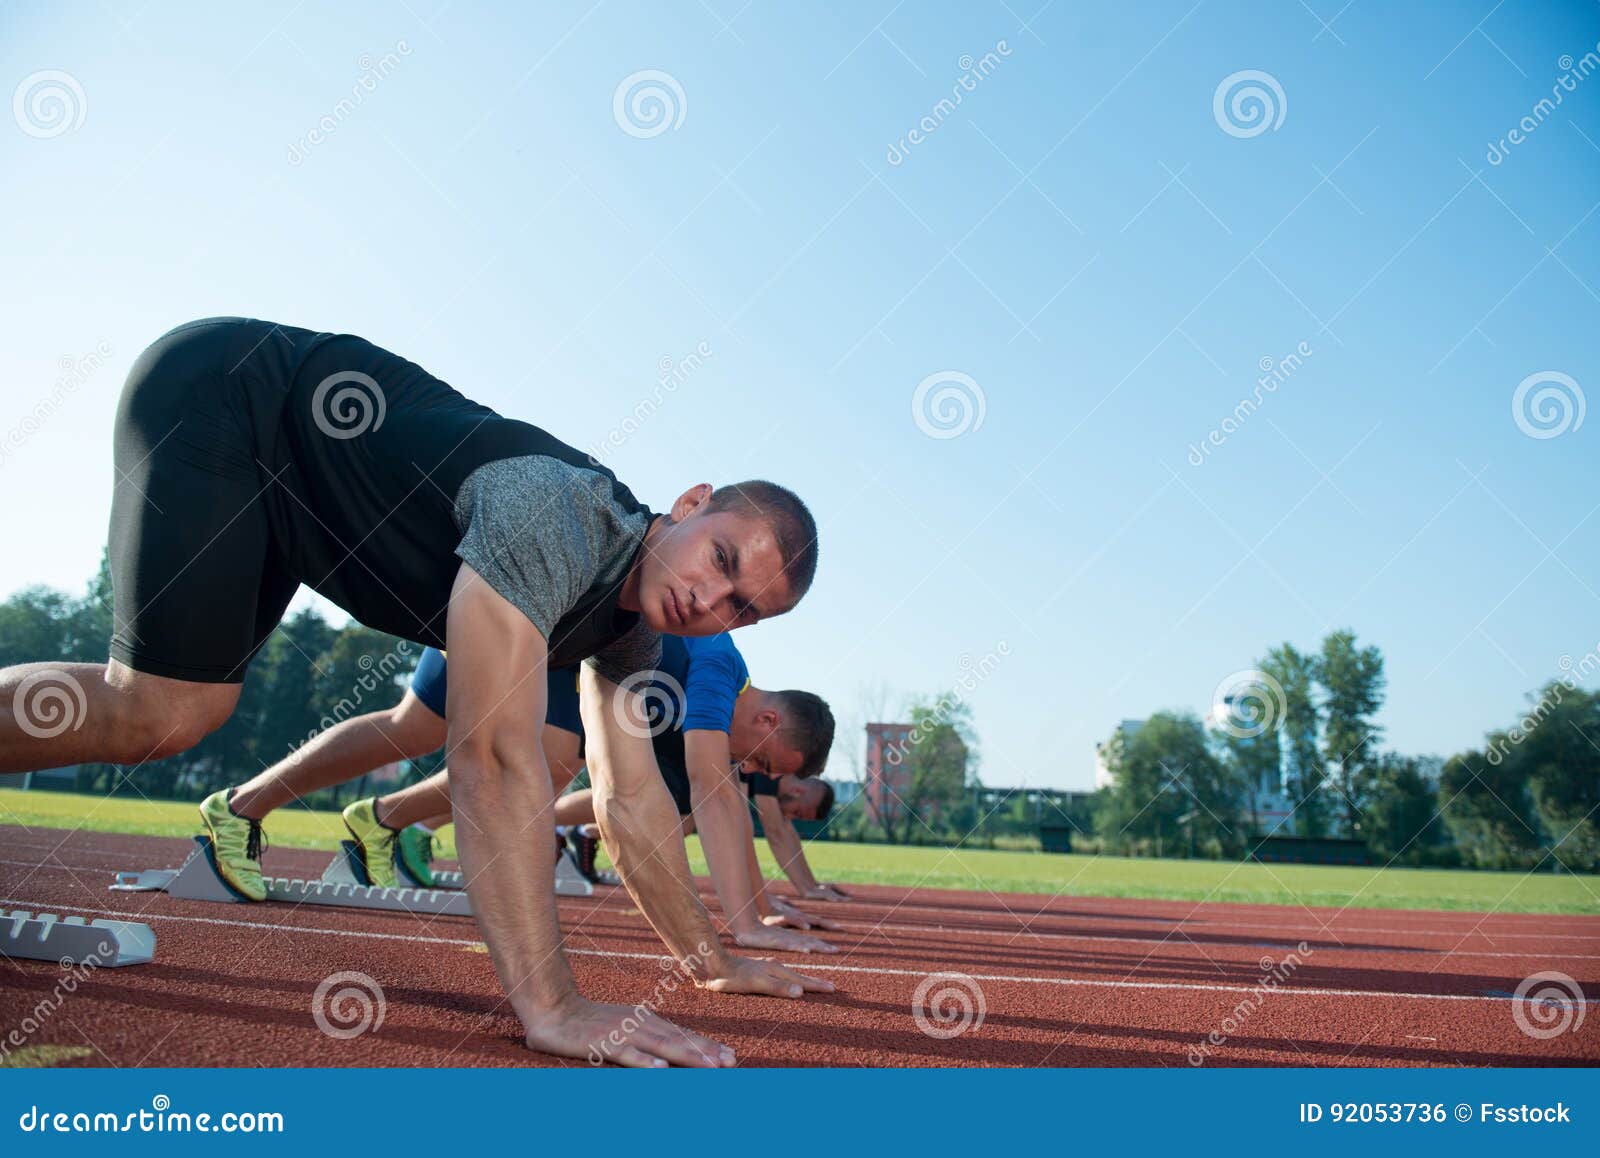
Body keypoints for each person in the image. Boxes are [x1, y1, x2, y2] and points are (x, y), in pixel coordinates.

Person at [0, 317, 831, 1067]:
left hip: (295, 502)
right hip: (233, 393)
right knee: (159, 709)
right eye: (721, 560)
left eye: (741, 609)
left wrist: (710, 961)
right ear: (690, 505)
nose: (709, 601)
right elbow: (492, 759)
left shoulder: (632, 634)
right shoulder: (563, 517)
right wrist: (553, 1006)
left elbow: (630, 799)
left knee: (180, 713)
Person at [345, 639, 842, 953]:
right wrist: (746, 925)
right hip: (544, 626)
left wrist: (759, 907)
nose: (753, 770)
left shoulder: (721, 696)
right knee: (423, 733)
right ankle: (383, 816)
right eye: (764, 762)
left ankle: (388, 817)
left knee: (545, 765)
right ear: (768, 721)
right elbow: (716, 794)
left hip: (573, 657)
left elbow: (727, 804)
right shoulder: (717, 669)